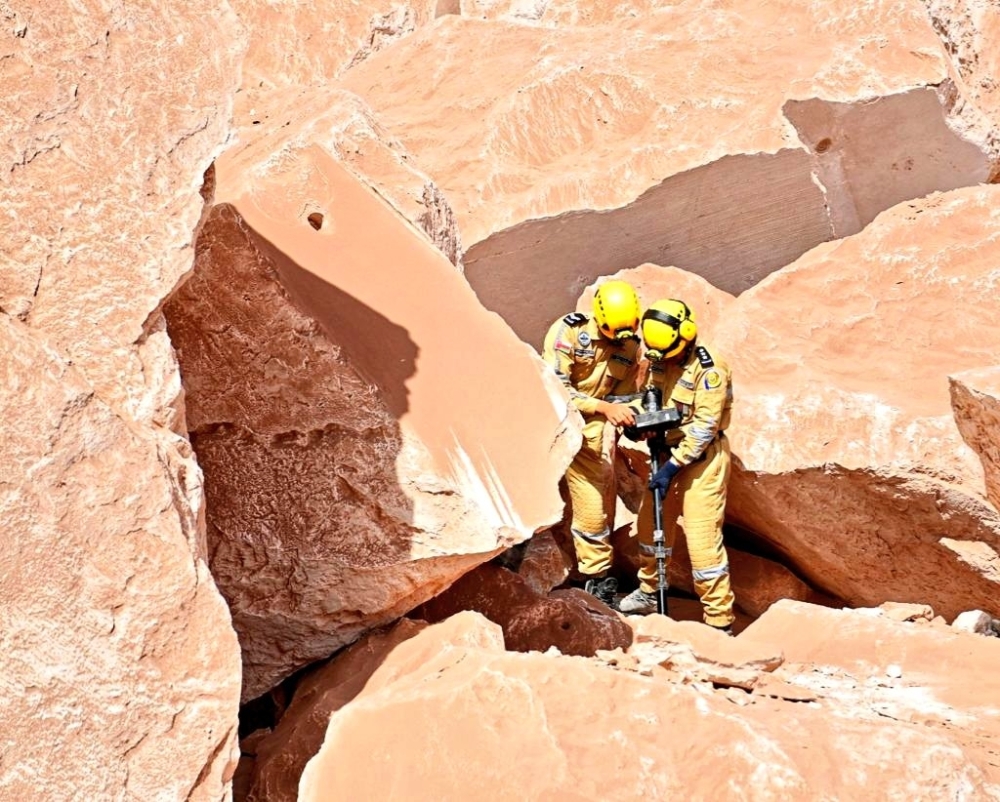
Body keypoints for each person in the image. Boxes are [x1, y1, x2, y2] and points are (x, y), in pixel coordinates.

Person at [618, 299, 737, 634]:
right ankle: (649, 591)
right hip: (665, 452)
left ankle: (719, 621)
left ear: (685, 336)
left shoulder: (710, 370)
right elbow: (651, 395)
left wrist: (672, 468)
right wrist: (640, 421)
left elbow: (703, 428)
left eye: (665, 355)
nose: (658, 362)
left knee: (703, 546)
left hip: (700, 461)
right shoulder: (660, 357)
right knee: (650, 527)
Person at [541, 280, 642, 607]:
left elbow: (623, 395)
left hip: (594, 426)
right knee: (583, 496)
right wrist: (603, 407)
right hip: (555, 416)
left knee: (597, 495)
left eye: (628, 332)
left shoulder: (629, 345)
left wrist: (632, 415)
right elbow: (555, 388)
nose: (622, 341)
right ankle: (592, 573)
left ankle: (596, 577)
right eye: (615, 333)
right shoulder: (569, 333)